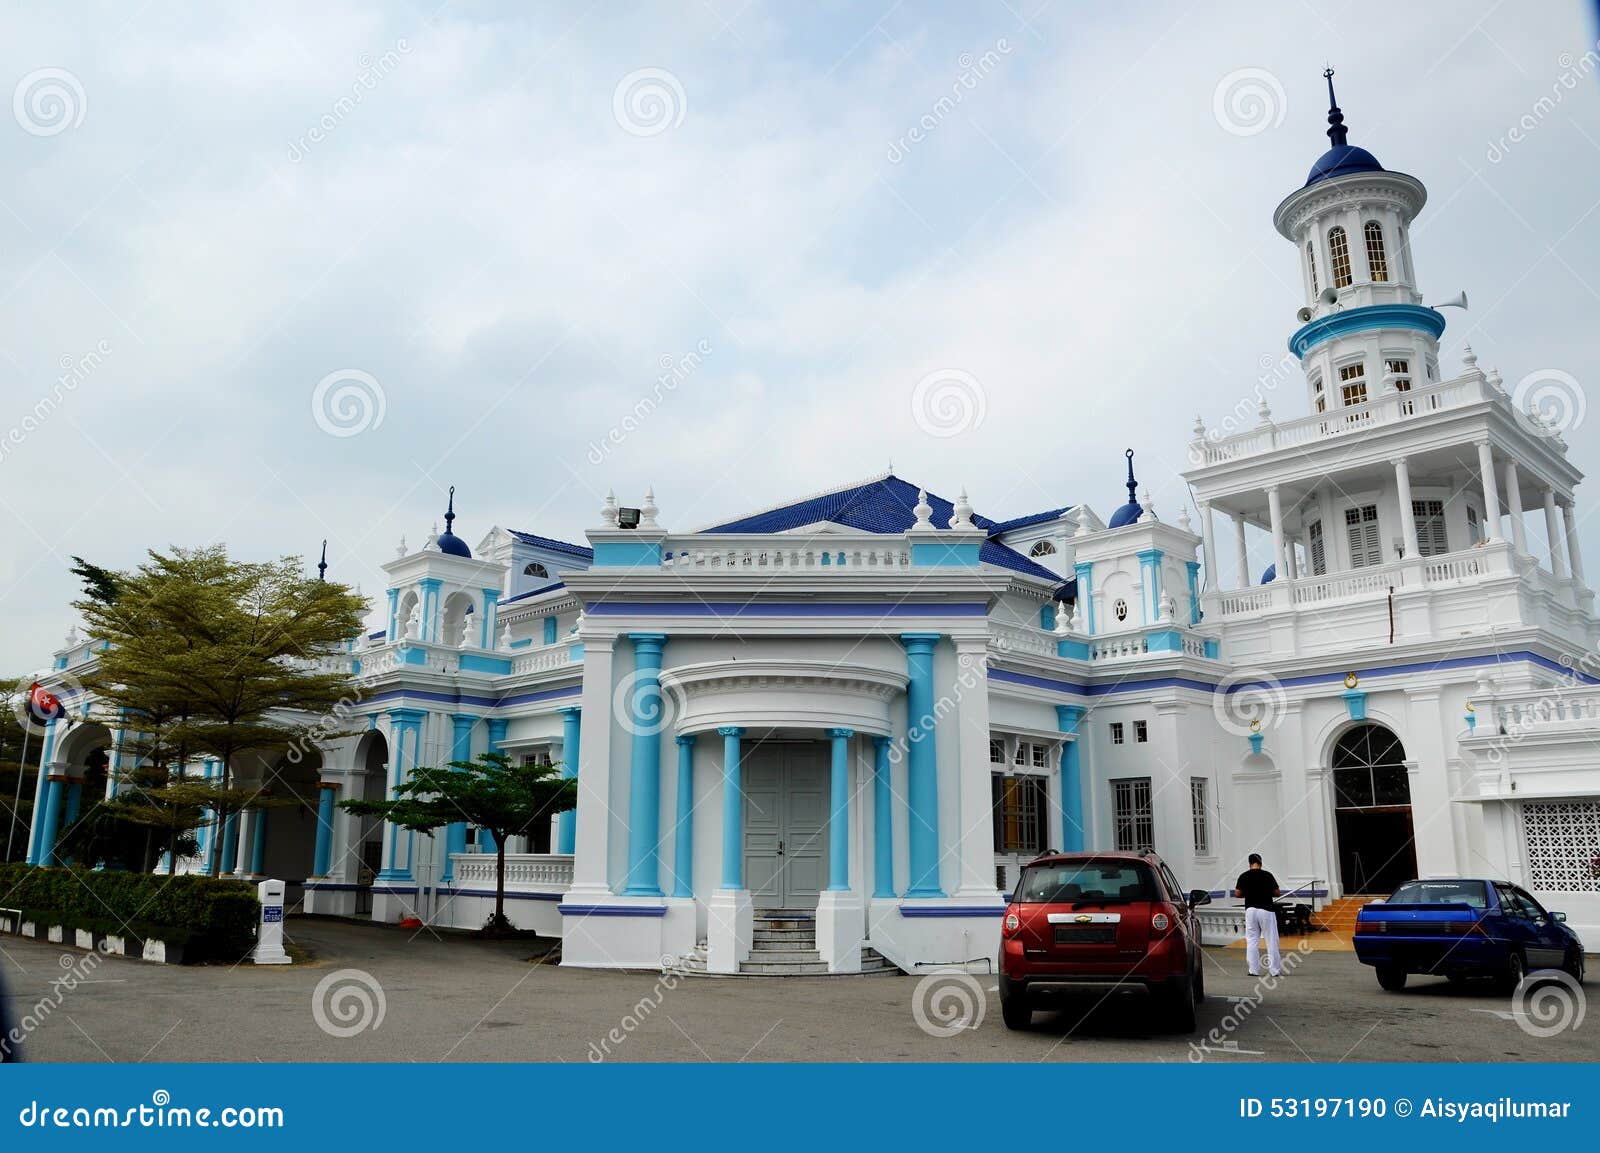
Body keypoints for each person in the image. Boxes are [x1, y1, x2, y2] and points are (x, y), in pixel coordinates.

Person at [1234, 852, 1282, 978]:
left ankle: (1253, 970)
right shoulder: (1267, 875)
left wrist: (1249, 894)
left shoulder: (1243, 876)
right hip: (1266, 909)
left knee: (1252, 940)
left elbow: (1238, 893)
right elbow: (1277, 892)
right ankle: (1274, 970)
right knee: (1271, 940)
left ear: (1249, 863)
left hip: (1250, 910)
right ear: (1261, 863)